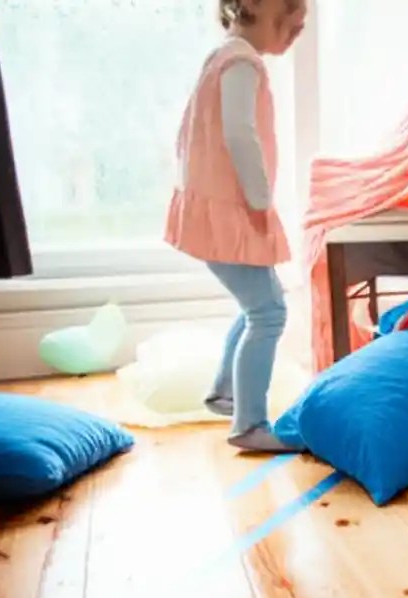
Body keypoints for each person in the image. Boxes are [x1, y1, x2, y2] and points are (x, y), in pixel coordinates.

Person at [165, 0, 307, 452]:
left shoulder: (222, 56)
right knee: (268, 312)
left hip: (217, 206)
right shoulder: (242, 62)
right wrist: (260, 197)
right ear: (257, 11)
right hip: (230, 208)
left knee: (259, 305)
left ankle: (227, 393)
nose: (296, 36)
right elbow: (238, 132)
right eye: (292, 26)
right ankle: (249, 424)